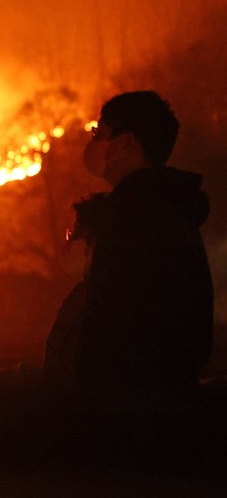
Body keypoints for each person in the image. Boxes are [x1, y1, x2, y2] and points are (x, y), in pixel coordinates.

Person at [45, 90, 214, 407]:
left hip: (125, 406)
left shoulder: (137, 218)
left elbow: (115, 331)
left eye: (101, 133)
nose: (94, 143)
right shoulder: (162, 208)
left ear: (127, 143)